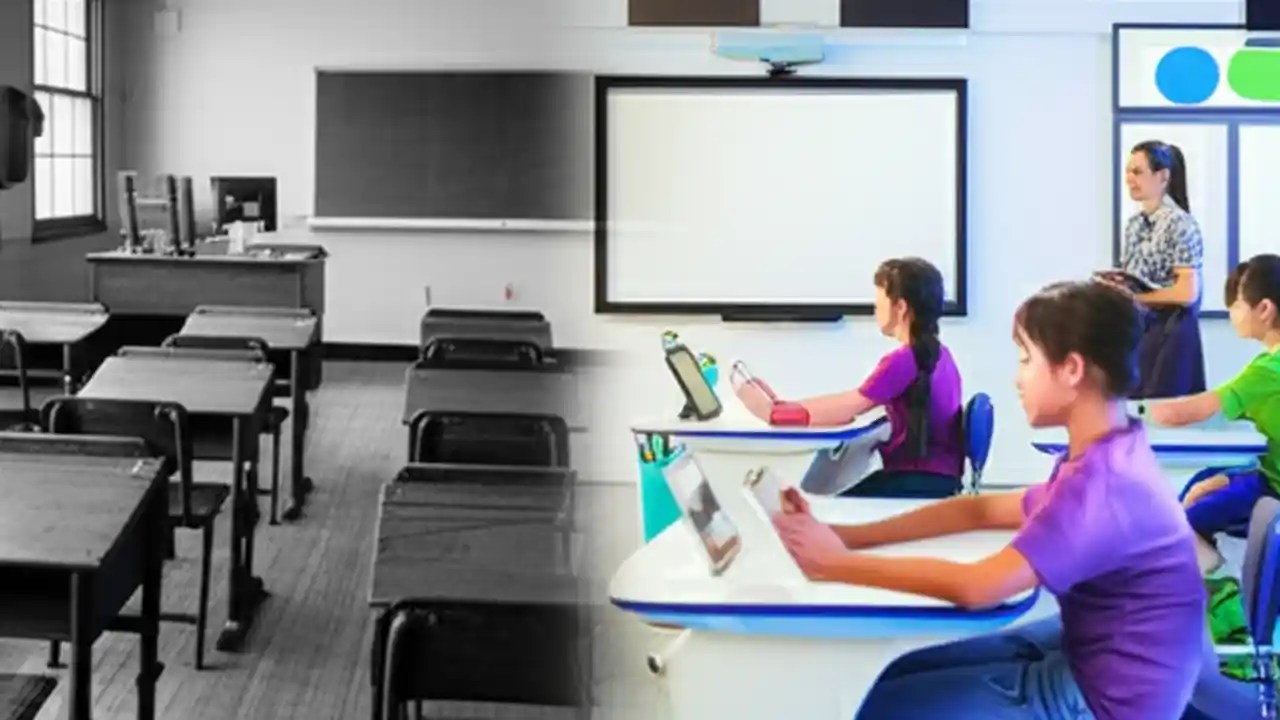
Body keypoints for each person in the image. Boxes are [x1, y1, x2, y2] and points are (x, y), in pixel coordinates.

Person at [772, 281, 1206, 719]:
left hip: (1102, 702)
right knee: (883, 673)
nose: (1018, 377)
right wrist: (844, 537)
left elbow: (978, 587)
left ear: (1071, 369)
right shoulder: (1111, 450)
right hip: (1099, 665)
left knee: (869, 707)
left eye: (1026, 359)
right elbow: (978, 508)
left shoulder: (1102, 484)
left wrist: (832, 563)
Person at [733, 257, 964, 498]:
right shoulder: (940, 355)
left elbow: (847, 408)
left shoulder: (903, 361)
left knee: (821, 504)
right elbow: (852, 400)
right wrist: (784, 407)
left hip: (919, 480)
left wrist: (775, 413)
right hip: (938, 478)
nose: (875, 308)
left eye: (879, 301)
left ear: (901, 307)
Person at [1148, 255, 1280, 571]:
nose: (1231, 313)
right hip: (1267, 472)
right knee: (1200, 483)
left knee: (1184, 523)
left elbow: (1194, 411)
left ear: (1263, 309)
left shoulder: (1267, 370)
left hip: (1273, 485)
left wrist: (1136, 411)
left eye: (1235, 305)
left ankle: (1227, 610)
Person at [1110, 140, 1207, 399]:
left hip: (1171, 334)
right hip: (1140, 331)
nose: (1129, 178)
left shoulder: (1181, 224)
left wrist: (1139, 297)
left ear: (1163, 176)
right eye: (1128, 171)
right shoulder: (1134, 225)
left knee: (1163, 414)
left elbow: (1187, 292)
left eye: (1138, 172)